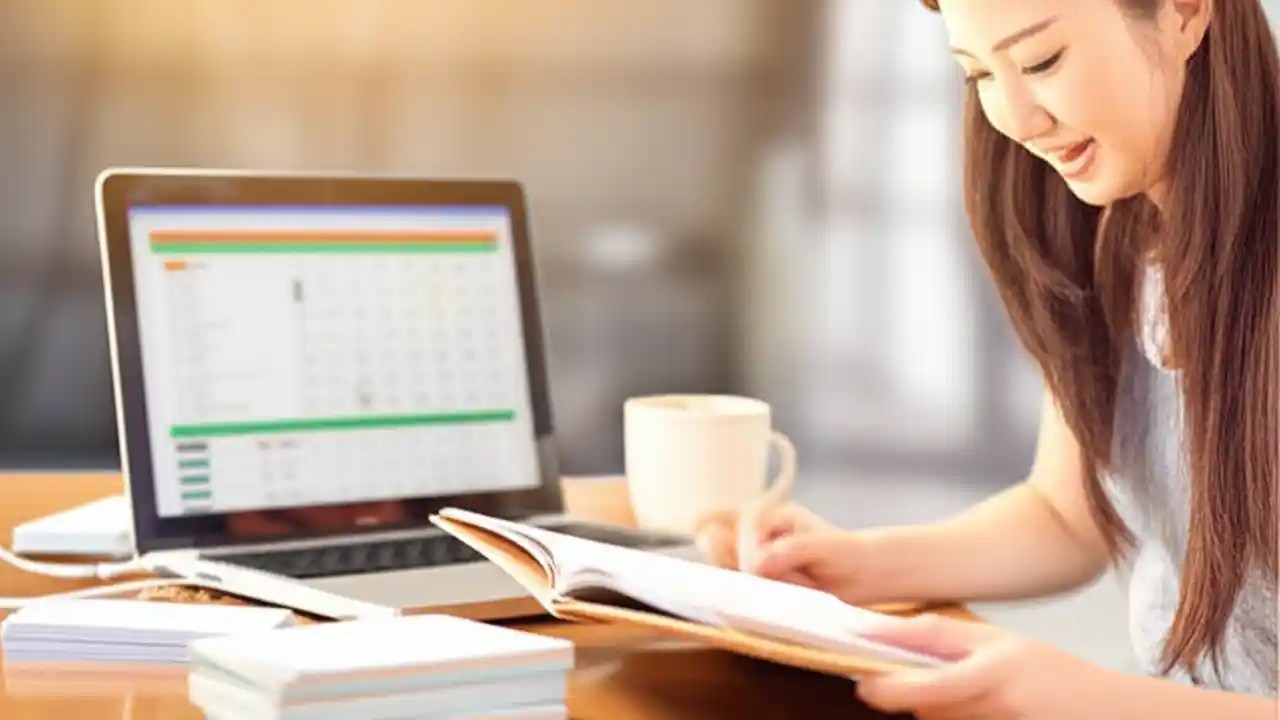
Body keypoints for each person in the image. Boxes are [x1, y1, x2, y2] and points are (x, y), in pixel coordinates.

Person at [697, 0, 1278, 717]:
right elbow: (1067, 516)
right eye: (979, 75)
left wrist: (1087, 698)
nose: (1018, 119)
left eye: (1041, 61)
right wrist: (857, 566)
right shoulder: (1113, 238)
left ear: (1186, 12)